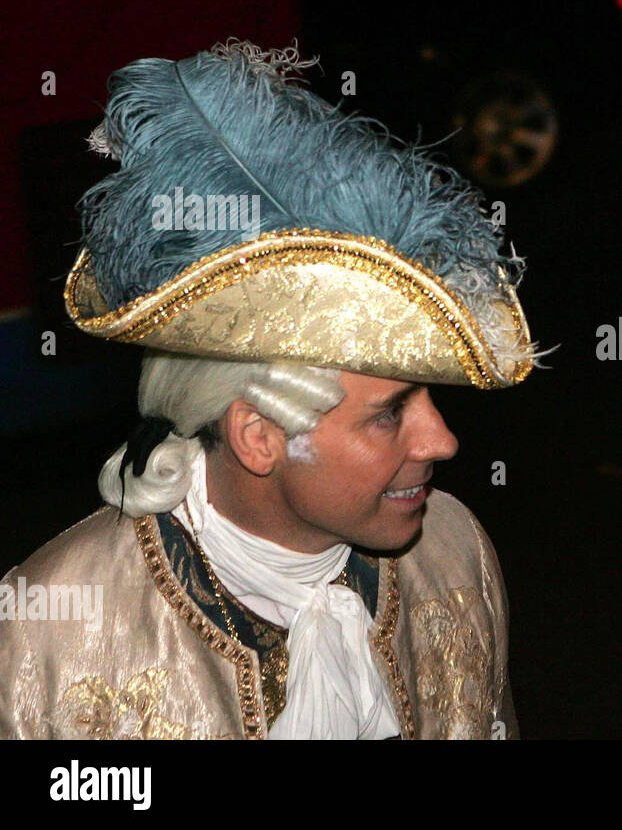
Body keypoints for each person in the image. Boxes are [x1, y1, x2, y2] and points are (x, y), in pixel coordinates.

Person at [0, 40, 536, 739]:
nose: (442, 440)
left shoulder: (454, 549)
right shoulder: (50, 628)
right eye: (389, 414)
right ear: (258, 437)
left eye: (429, 399)